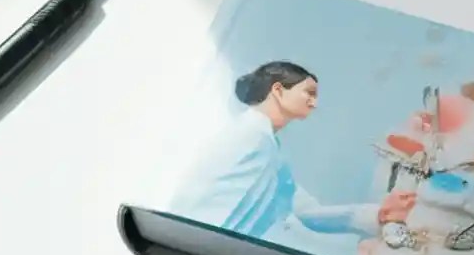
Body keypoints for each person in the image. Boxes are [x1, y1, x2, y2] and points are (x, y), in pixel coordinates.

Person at [170, 61, 416, 244]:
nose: (314, 103)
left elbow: (306, 211)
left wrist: (380, 214)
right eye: (309, 93)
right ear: (278, 90)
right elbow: (200, 207)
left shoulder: (268, 146)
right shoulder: (246, 138)